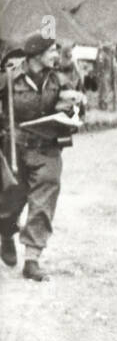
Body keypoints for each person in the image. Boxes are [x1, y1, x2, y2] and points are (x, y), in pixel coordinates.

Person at [0, 34, 83, 280]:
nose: (56, 56)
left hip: (47, 148)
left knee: (44, 198)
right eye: (52, 52)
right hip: (15, 149)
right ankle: (5, 233)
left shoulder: (59, 80)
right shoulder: (9, 79)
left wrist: (73, 110)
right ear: (36, 56)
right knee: (10, 201)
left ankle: (32, 259)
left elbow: (76, 107)